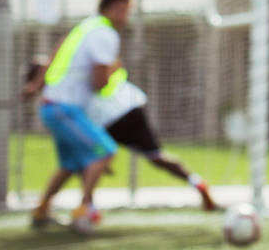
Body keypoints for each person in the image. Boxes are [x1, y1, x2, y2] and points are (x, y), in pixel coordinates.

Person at [23, 60, 217, 212]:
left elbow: (110, 65)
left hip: (122, 110)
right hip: (110, 118)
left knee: (149, 156)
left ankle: (84, 209)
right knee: (151, 157)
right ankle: (56, 207)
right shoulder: (60, 91)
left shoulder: (70, 69)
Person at [21, 0, 130, 234]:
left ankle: (41, 209)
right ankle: (83, 212)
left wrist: (35, 85)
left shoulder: (84, 28)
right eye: (121, 10)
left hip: (53, 106)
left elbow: (55, 54)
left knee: (70, 164)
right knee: (104, 151)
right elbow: (99, 82)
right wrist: (114, 70)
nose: (124, 17)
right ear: (107, 9)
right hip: (64, 109)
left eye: (127, 11)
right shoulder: (104, 34)